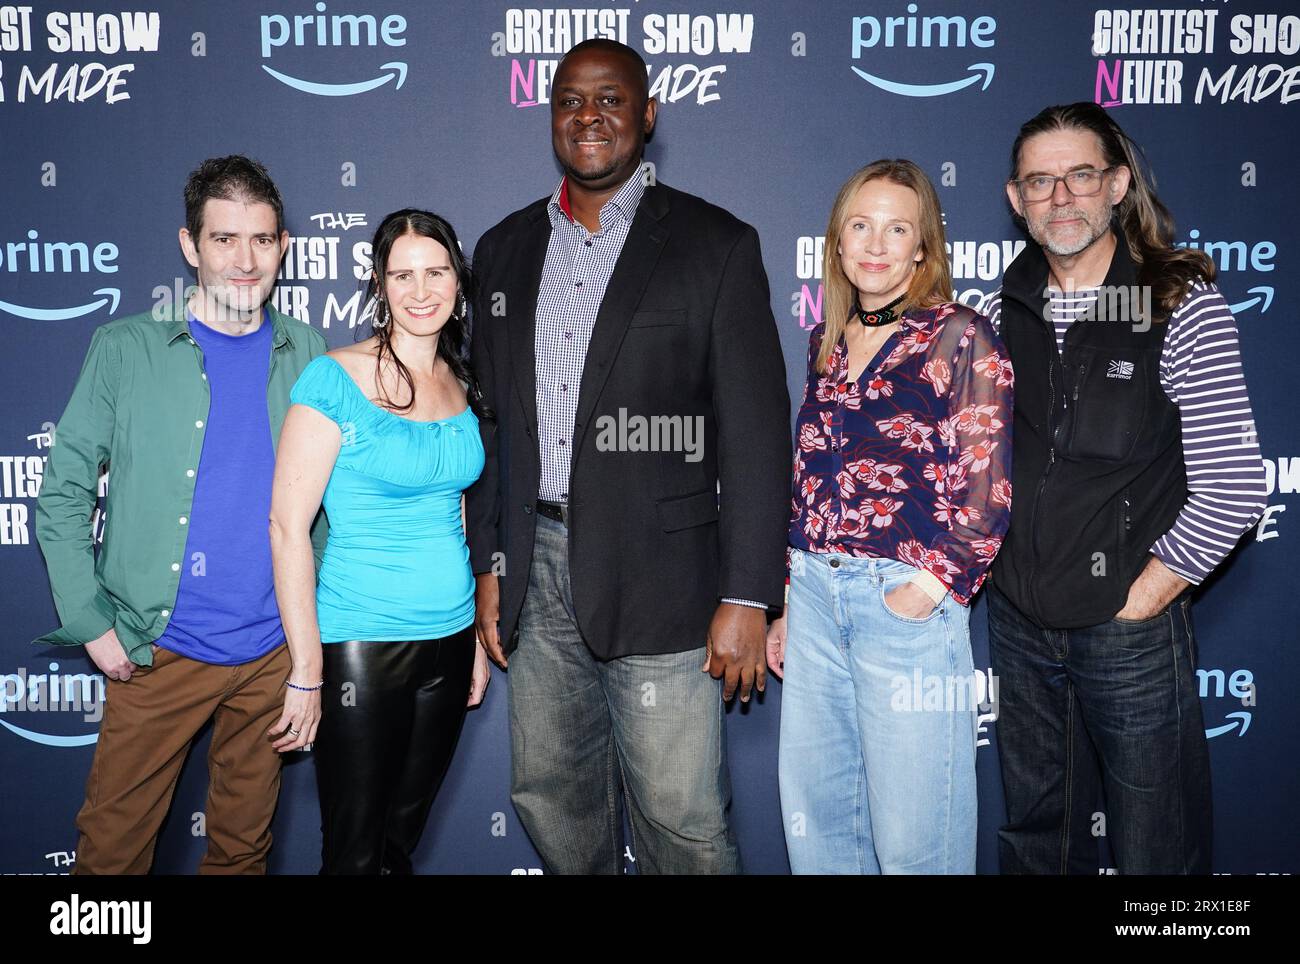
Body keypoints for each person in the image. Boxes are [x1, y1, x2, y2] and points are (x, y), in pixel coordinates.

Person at [466, 38, 791, 874]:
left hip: (668, 576)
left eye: (611, 99)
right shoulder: (502, 250)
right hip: (535, 571)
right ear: (550, 116)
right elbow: (493, 425)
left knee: (681, 816)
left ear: (648, 114)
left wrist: (749, 592)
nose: (589, 117)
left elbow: (755, 433)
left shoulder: (715, 245)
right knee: (551, 794)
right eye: (571, 100)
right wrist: (491, 561)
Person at [982, 102, 1269, 874]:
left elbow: (1237, 483)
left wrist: (1145, 594)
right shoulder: (997, 311)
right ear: (1017, 201)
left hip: (1128, 629)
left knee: (1157, 848)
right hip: (1018, 625)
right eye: (1040, 182)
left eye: (1080, 175)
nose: (1060, 197)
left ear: (1115, 184)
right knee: (1039, 839)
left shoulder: (1179, 303)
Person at [33, 155, 328, 874]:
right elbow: (65, 489)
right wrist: (91, 620)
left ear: (284, 247)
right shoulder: (125, 348)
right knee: (111, 854)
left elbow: (329, 509)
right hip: (155, 651)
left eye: (262, 239)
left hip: (271, 656)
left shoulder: (309, 352)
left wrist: (309, 655)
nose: (244, 260)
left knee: (241, 854)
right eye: (224, 239)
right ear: (190, 246)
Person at [766, 160, 1013, 874]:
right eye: (861, 225)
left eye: (897, 227)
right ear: (837, 245)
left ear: (923, 249)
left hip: (901, 601)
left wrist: (928, 591)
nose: (876, 243)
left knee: (917, 844)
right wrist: (788, 598)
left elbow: (986, 484)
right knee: (822, 834)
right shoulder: (828, 343)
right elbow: (810, 476)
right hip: (814, 596)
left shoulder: (959, 336)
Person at [269, 209, 490, 875]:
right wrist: (308, 672)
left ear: (458, 281)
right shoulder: (332, 378)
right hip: (361, 646)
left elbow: (453, 511)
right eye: (402, 275)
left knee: (400, 842)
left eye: (436, 272)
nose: (420, 291)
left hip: (451, 642)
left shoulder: (461, 381)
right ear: (379, 284)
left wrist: (476, 636)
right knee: (355, 852)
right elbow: (287, 528)